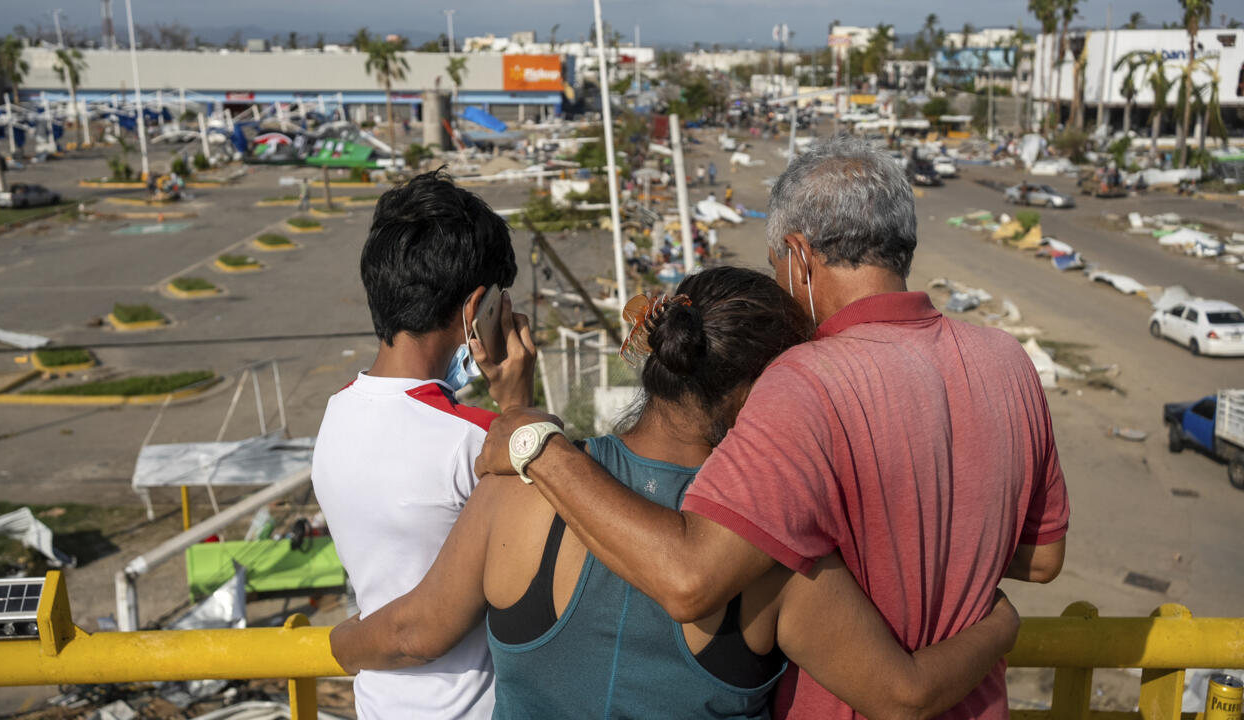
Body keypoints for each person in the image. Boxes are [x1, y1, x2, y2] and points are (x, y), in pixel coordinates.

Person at [476, 137, 1069, 719]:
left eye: (775, 269)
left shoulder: (804, 380)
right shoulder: (1007, 361)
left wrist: (541, 446)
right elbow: (1042, 559)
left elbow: (690, 580)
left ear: (798, 255)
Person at [331, 267, 1021, 719]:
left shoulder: (523, 488)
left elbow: (411, 631)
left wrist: (334, 644)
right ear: (761, 394)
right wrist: (1001, 626)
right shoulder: (771, 556)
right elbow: (903, 695)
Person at [312, 170, 536, 720]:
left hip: (382, 702)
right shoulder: (476, 439)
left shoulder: (335, 415)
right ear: (476, 308)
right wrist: (519, 410)